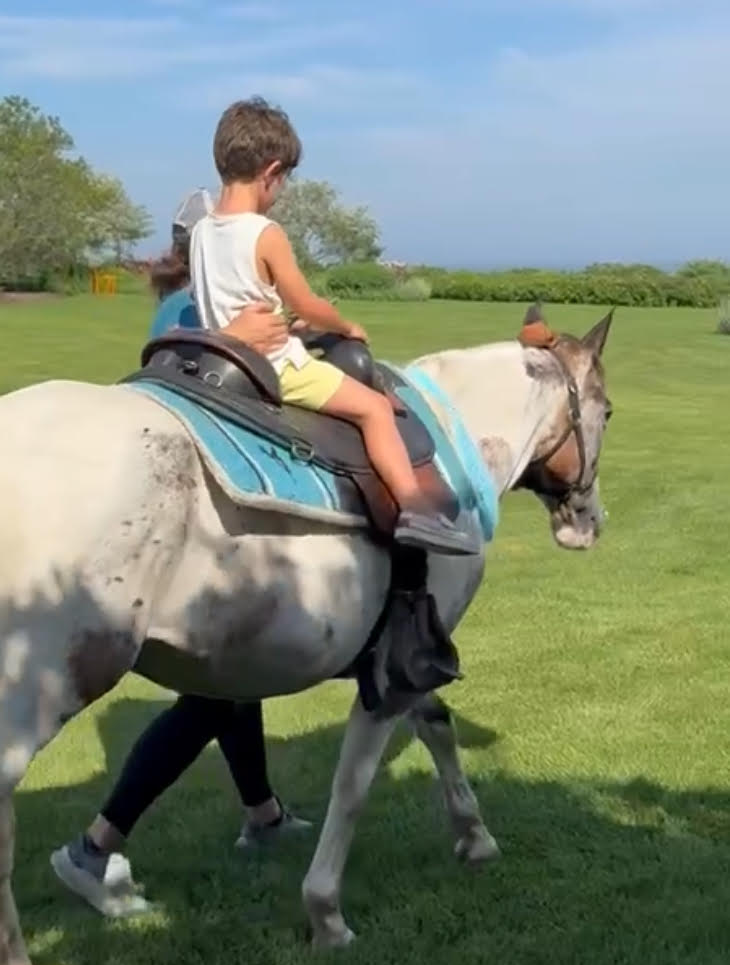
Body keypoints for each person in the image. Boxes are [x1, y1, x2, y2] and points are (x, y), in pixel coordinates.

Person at [49, 192, 310, 918]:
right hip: (205, 530)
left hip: (186, 524)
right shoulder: (203, 317)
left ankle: (261, 813)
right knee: (216, 690)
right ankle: (97, 843)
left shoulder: (179, 311)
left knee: (235, 682)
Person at [188, 97, 475, 557]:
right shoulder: (265, 233)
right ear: (272, 171)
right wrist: (345, 323)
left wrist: (287, 321)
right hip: (275, 367)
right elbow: (306, 301)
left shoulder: (203, 230)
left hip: (226, 358)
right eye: (282, 182)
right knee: (374, 409)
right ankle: (416, 506)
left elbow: (235, 302)